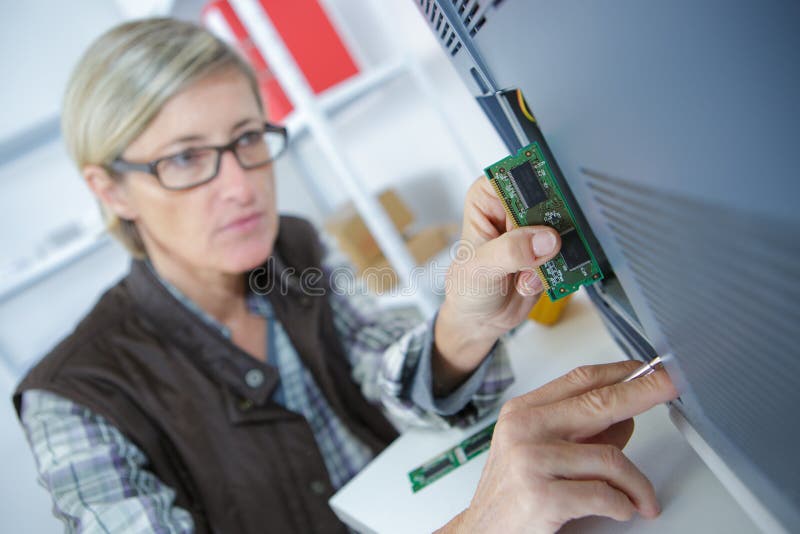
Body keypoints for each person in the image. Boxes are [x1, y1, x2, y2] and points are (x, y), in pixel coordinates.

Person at [13, 18, 677, 534]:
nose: (242, 186)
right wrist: (482, 522)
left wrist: (463, 325)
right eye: (187, 159)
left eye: (248, 138)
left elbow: (381, 372)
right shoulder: (71, 397)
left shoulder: (293, 252)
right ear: (112, 191)